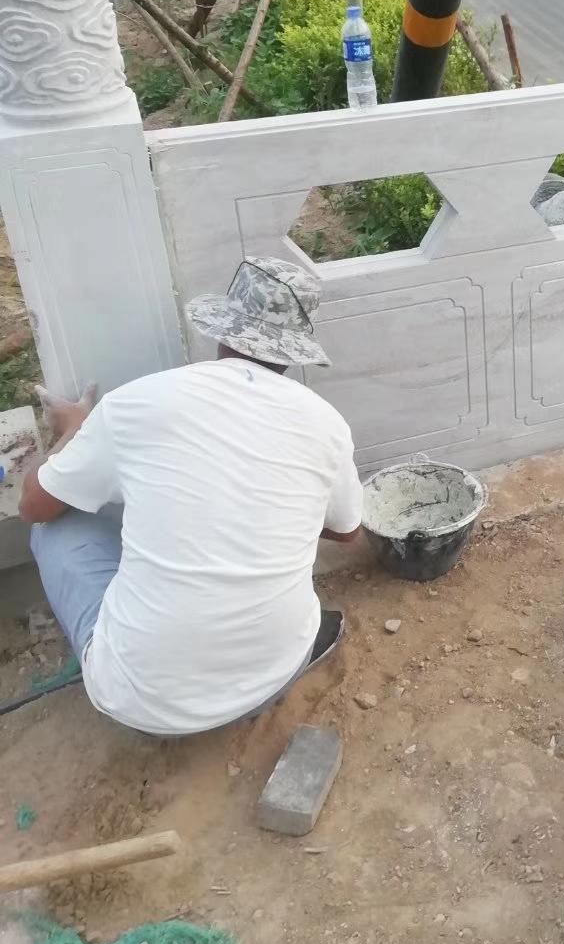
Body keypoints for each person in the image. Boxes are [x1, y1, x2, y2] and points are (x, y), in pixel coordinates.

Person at [20, 257, 366, 737]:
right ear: (294, 351)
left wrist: (74, 431)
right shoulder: (325, 422)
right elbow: (348, 532)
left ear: (222, 330)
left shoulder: (136, 402)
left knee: (54, 528)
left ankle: (138, 649)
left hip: (145, 708)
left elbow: (33, 505)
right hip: (277, 673)